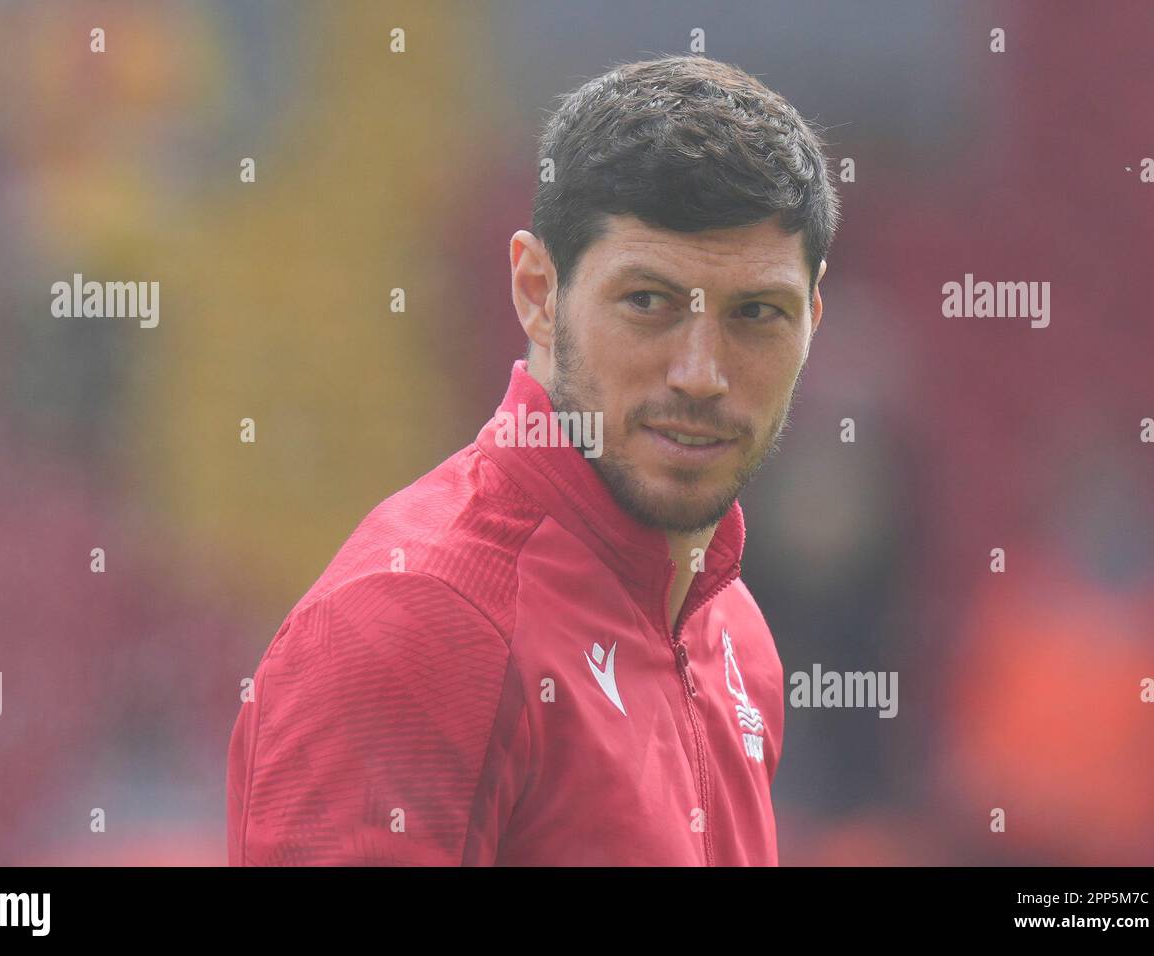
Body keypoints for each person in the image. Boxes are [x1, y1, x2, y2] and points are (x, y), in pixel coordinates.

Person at [227, 53, 840, 865]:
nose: (702, 373)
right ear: (537, 291)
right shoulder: (414, 626)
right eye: (648, 302)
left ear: (813, 317)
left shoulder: (733, 633)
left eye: (757, 313)